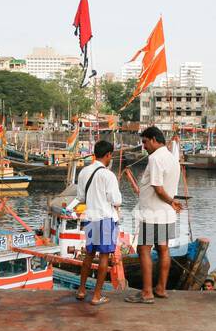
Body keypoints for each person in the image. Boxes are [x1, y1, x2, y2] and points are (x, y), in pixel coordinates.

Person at [126, 126, 182, 303]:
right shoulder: (173, 159)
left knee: (144, 249)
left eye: (145, 142)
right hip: (166, 215)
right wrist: (171, 203)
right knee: (163, 249)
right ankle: (161, 288)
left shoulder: (155, 158)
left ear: (153, 140)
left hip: (153, 213)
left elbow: (158, 188)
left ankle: (147, 292)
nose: (144, 146)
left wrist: (170, 201)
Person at [74, 140, 122, 306]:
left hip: (89, 217)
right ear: (108, 155)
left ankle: (81, 291)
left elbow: (80, 197)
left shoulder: (83, 172)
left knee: (88, 255)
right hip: (105, 218)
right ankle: (96, 296)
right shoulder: (108, 175)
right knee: (103, 256)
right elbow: (117, 200)